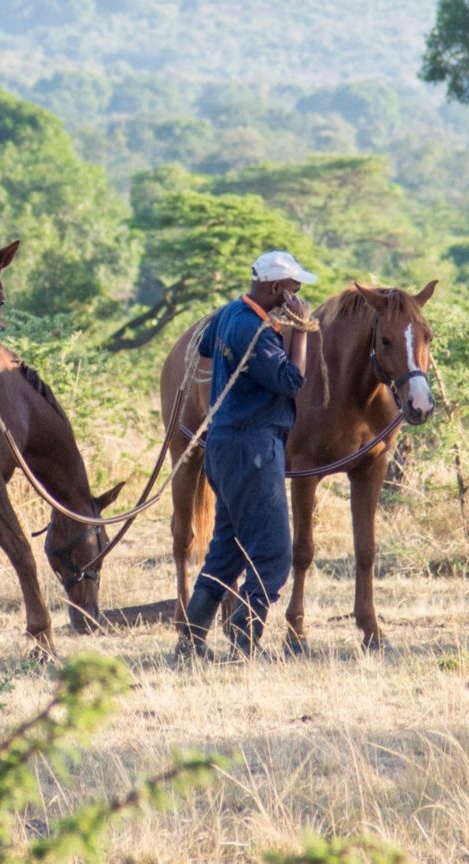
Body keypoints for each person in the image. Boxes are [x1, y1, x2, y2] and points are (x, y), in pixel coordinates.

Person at [175, 249, 315, 660]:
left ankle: (191, 640)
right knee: (272, 555)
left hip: (223, 447)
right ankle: (243, 640)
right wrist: (302, 329)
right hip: (252, 449)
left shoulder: (231, 314)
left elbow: (203, 344)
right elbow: (292, 381)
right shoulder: (253, 331)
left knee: (227, 549)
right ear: (276, 288)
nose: (298, 293)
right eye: (293, 287)